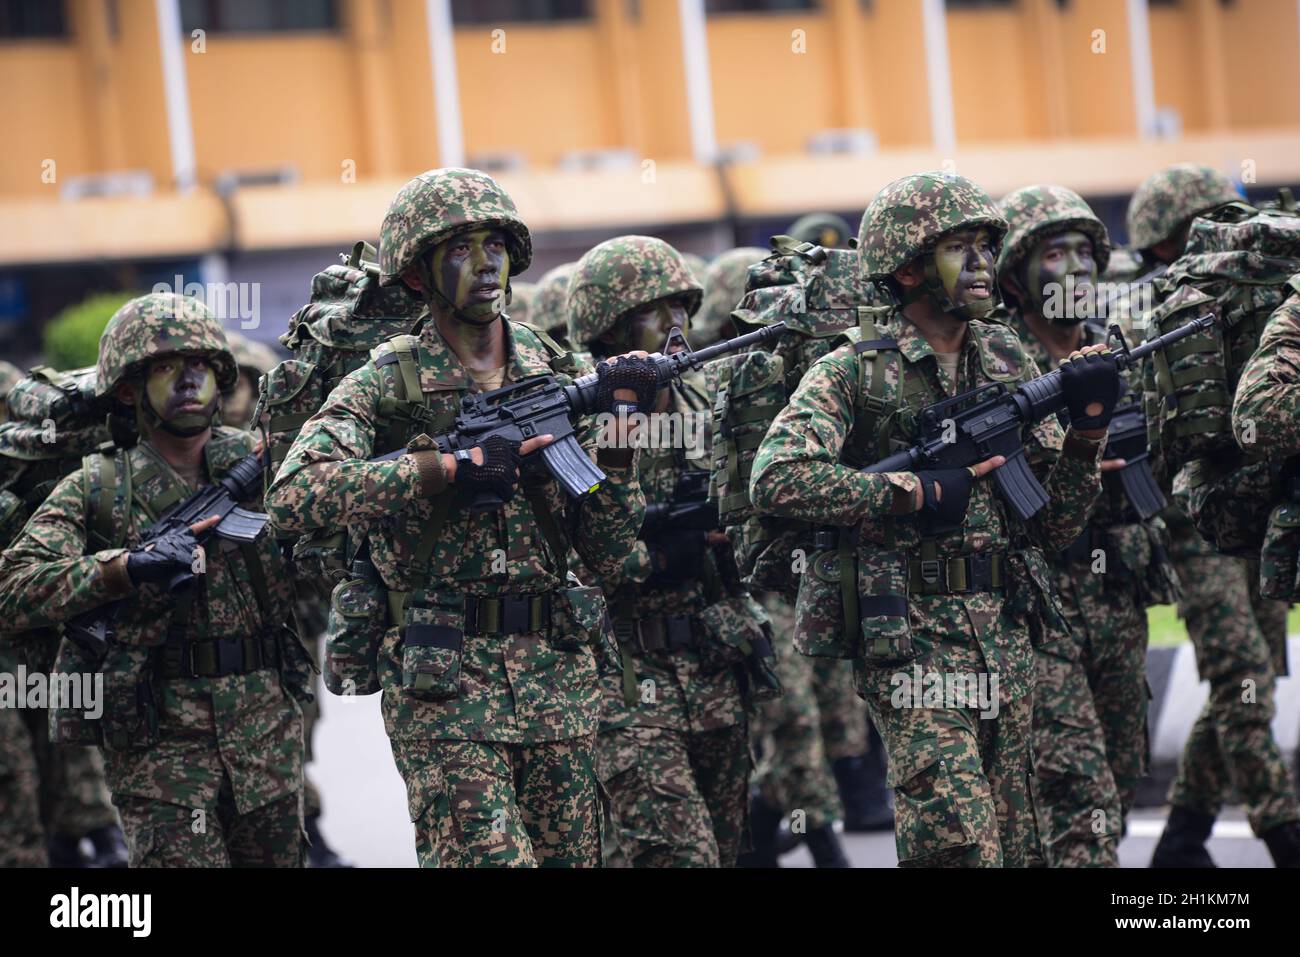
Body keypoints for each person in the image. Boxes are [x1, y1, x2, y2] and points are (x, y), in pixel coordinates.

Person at [265, 168, 650, 867]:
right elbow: (295, 493)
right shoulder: (389, 382)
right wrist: (448, 469)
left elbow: (615, 548)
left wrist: (621, 432)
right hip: (445, 682)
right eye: (462, 247)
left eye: (497, 243)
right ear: (417, 275)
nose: (487, 262)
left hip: (557, 676)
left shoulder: (554, 367)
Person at [751, 171, 1119, 867]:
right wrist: (910, 492)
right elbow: (776, 477)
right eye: (962, 248)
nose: (983, 263)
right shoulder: (856, 370)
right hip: (912, 645)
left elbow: (1052, 525)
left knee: (1018, 849)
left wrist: (1087, 432)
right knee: (956, 847)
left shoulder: (1006, 357)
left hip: (1006, 641)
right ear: (911, 267)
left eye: (987, 246)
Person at [0, 293, 309, 867]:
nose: (190, 379)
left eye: (202, 366)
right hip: (160, 752)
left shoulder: (268, 464)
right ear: (128, 389)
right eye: (167, 367)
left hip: (265, 742)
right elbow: (13, 587)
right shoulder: (99, 487)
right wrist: (124, 568)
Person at [567, 235, 768, 867]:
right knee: (678, 855)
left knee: (725, 849)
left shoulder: (710, 401)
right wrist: (654, 558)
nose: (677, 327)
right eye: (658, 312)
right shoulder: (579, 416)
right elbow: (566, 553)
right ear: (609, 325)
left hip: (714, 664)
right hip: (625, 677)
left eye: (683, 309)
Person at [997, 184, 1175, 865]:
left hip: (1119, 597)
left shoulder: (1117, 352)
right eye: (1054, 252)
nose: (1074, 267)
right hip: (1040, 607)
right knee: (1077, 792)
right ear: (1017, 275)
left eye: (1083, 252)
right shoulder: (1001, 364)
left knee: (1120, 785)